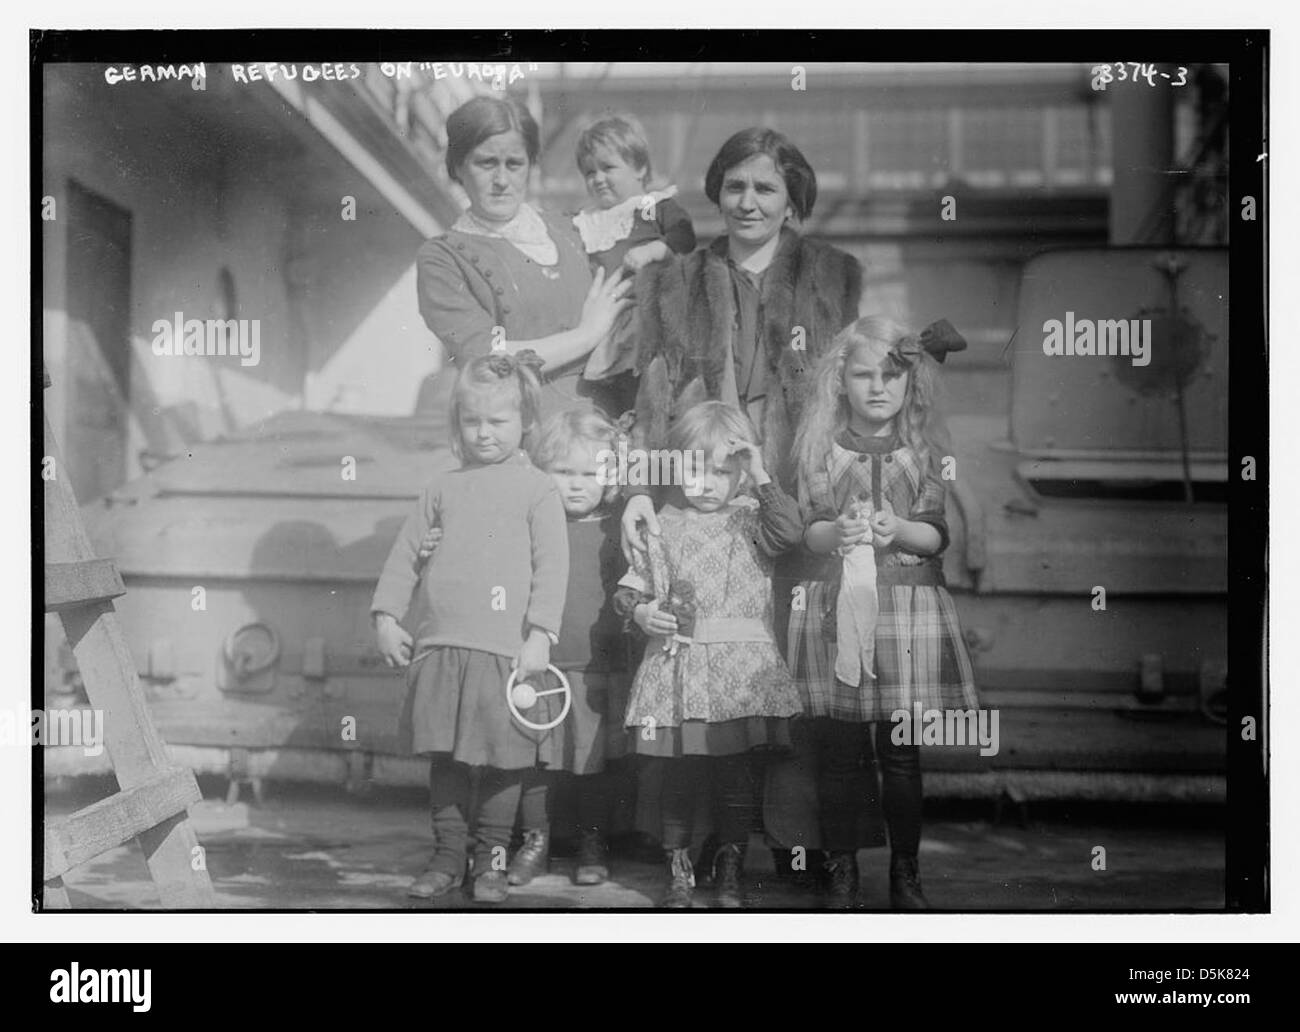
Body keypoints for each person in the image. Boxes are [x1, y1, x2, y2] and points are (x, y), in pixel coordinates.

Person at [618, 126, 870, 886]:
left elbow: (848, 391)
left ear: (793, 200)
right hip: (707, 506)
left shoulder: (832, 276)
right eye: (734, 186)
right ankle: (712, 846)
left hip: (799, 500)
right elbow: (653, 392)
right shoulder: (676, 280)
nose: (748, 201)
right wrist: (640, 486)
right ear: (717, 194)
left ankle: (811, 845)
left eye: (765, 188)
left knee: (805, 677)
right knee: (708, 676)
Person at [788, 316, 979, 907]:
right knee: (840, 756)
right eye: (863, 375)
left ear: (910, 382)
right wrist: (837, 533)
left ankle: (906, 873)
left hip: (906, 612)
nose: (877, 387)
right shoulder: (819, 451)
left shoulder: (924, 452)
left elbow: (936, 535)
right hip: (836, 613)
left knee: (900, 755)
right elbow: (811, 530)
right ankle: (841, 870)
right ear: (839, 380)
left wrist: (899, 529)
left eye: (891, 376)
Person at [370, 351, 568, 904]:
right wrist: (386, 617)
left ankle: (491, 862)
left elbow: (552, 568)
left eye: (497, 421)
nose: (483, 433)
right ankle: (447, 857)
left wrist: (540, 635)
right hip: (441, 648)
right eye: (472, 420)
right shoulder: (441, 487)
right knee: (446, 760)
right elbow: (404, 555)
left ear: (526, 420)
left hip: (505, 654)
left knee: (505, 763)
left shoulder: (539, 490)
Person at [616, 401, 803, 908]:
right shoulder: (661, 523)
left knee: (734, 779)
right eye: (695, 469)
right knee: (678, 776)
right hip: (679, 669)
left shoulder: (754, 519)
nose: (707, 484)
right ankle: (679, 869)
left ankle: (729, 870)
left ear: (740, 473)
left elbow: (790, 534)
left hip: (739, 674)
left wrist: (760, 473)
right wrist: (641, 613)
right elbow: (630, 589)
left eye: (723, 472)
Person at [414, 96, 632, 421]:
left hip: (606, 425)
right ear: (458, 166)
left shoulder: (574, 229)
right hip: (524, 431)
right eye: (486, 163)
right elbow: (485, 360)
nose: (502, 181)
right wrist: (587, 335)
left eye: (514, 164)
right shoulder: (443, 257)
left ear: (531, 165)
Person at [498, 408, 635, 888]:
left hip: (597, 663)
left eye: (590, 474)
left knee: (592, 761)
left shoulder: (618, 529)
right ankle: (535, 841)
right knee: (537, 760)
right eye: (563, 472)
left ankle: (592, 842)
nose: (577, 485)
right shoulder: (531, 523)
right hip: (541, 663)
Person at [570, 114, 697, 417]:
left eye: (608, 167)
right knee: (605, 397)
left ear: (639, 168)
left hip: (646, 317)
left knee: (650, 389)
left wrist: (654, 250)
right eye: (589, 172)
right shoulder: (585, 220)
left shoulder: (653, 206)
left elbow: (683, 236)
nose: (598, 178)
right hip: (604, 322)